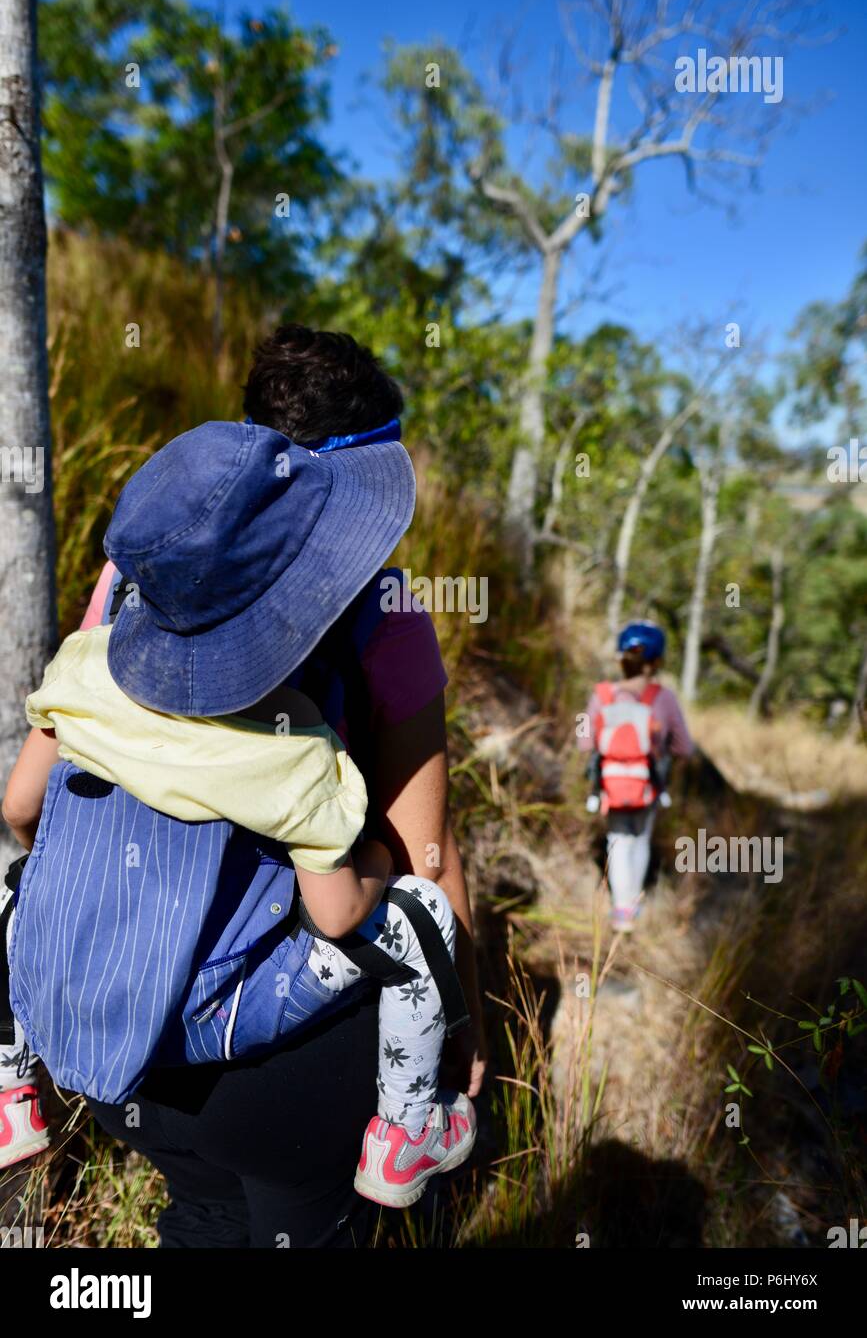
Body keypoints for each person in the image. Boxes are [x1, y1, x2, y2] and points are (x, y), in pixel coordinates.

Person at [2, 326, 486, 1246]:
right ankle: (407, 1136)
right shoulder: (382, 618)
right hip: (278, 1066)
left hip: (117, 1032)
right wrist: (459, 1027)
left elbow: (28, 808)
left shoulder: (139, 578)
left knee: (200, 1220)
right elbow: (427, 855)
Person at [579, 620, 692, 932]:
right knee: (639, 840)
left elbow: (584, 740)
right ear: (656, 662)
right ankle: (632, 905)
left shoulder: (601, 694)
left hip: (609, 784)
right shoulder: (663, 698)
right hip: (648, 786)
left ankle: (620, 909)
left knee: (617, 839)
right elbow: (684, 747)